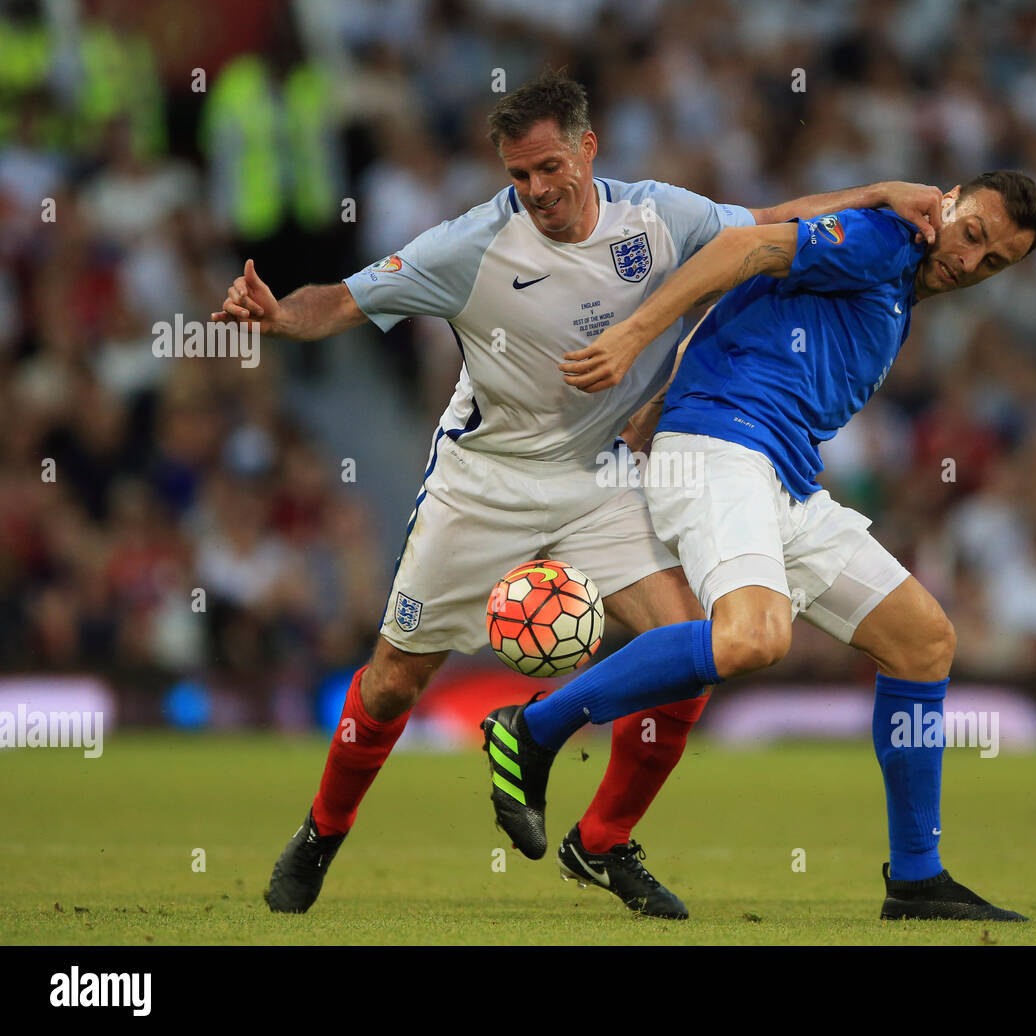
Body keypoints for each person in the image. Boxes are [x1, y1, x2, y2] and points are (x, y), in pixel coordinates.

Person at [211, 70, 944, 919]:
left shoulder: (659, 216)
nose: (537, 191)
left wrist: (879, 190)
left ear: (588, 148)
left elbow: (775, 221)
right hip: (483, 482)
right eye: (519, 176)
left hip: (601, 479)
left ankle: (602, 841)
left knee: (693, 652)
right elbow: (342, 300)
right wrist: (277, 314)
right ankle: (321, 833)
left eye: (551, 168)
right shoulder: (470, 246)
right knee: (392, 682)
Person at [481, 170, 1036, 920]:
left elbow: (749, 306)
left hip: (778, 474)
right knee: (753, 638)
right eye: (972, 234)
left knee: (923, 641)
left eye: (994, 264)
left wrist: (662, 398)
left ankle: (917, 879)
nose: (969, 263)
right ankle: (534, 728)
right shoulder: (886, 242)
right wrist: (632, 337)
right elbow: (745, 248)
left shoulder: (896, 281)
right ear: (946, 202)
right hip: (725, 451)